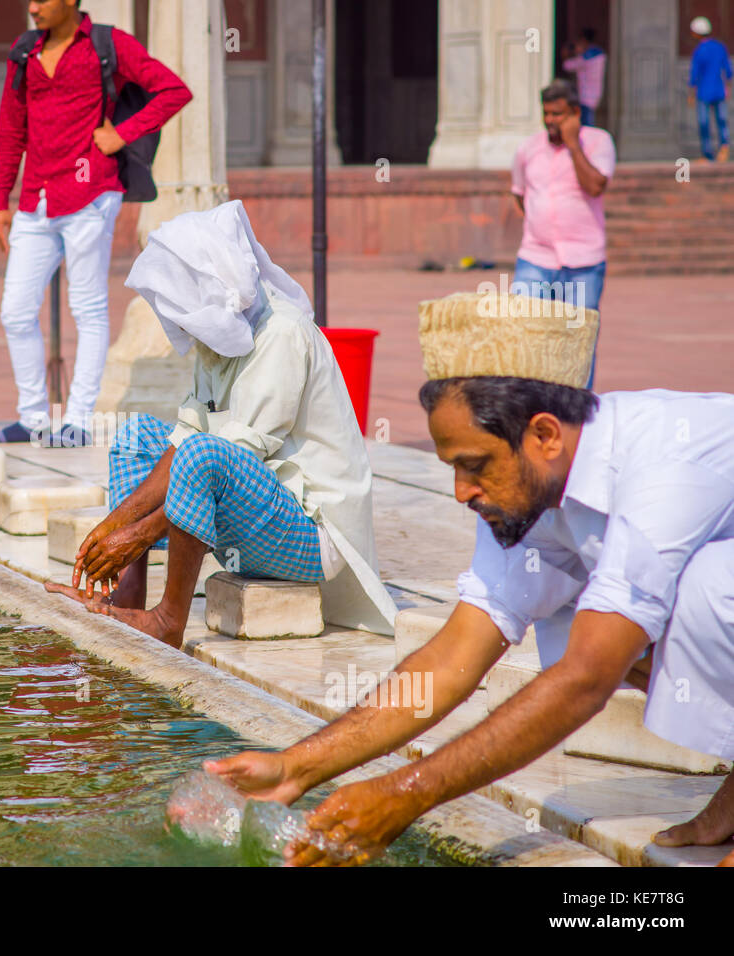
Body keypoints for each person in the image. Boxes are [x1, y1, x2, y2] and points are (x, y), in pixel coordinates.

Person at [207, 290, 734, 868]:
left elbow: (586, 678)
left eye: (474, 465)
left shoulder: (663, 471)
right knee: (607, 605)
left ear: (545, 435)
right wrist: (296, 767)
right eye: (454, 467)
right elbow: (455, 654)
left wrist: (405, 795)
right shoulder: (524, 494)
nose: (461, 492)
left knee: (702, 591)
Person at [44, 201, 399, 647]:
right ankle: (130, 594)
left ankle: (169, 621)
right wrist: (114, 526)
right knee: (136, 436)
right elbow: (183, 437)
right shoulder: (219, 337)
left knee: (203, 458)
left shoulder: (283, 334)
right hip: (255, 517)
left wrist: (136, 534)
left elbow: (225, 455)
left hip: (311, 535)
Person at [0, 0, 191, 447]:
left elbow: (174, 90)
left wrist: (122, 133)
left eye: (42, 0)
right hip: (35, 198)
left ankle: (76, 419)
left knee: (88, 308)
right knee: (15, 311)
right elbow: (10, 127)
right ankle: (33, 419)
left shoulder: (106, 44)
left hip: (91, 193)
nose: (33, 7)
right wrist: (0, 198)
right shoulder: (24, 51)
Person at [510, 79, 614, 389]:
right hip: (535, 258)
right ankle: (530, 408)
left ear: (575, 112)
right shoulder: (528, 149)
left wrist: (573, 146)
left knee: (577, 340)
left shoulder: (598, 142)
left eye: (558, 114)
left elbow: (595, 185)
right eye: (547, 114)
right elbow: (520, 195)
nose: (551, 121)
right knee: (525, 332)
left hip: (584, 261)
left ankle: (575, 416)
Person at [688, 16, 732, 162]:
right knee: (722, 121)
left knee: (704, 123)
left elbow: (694, 74)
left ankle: (707, 154)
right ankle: (724, 147)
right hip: (719, 90)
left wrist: (691, 93)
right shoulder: (720, 47)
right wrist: (727, 87)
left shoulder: (699, 50)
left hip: (704, 92)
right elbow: (728, 70)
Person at [560, 28, 606, 127]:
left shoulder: (588, 57)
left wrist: (566, 54)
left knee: (586, 127)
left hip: (586, 97)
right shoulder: (599, 54)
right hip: (593, 96)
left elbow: (567, 66)